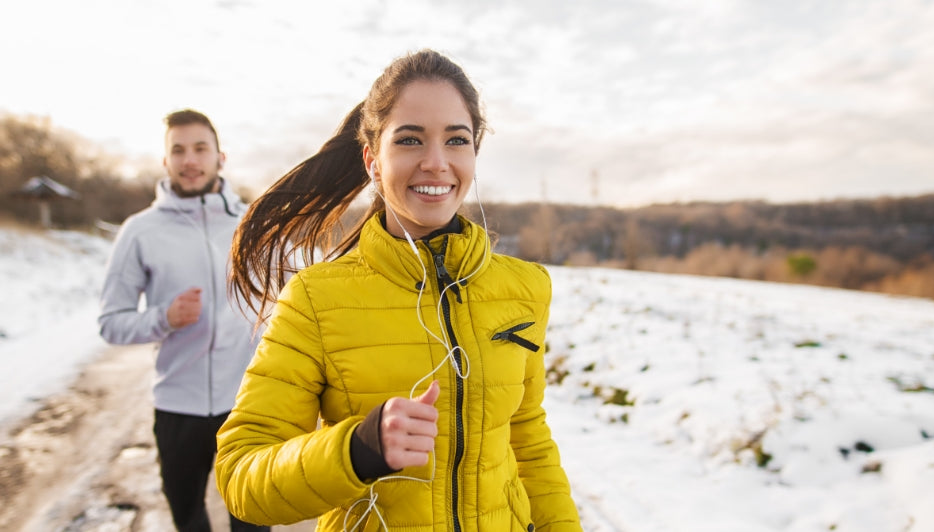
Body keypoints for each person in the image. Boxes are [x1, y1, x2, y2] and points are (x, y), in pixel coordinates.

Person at [215, 49, 583, 531]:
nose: (436, 163)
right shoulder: (315, 300)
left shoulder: (524, 288)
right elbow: (241, 479)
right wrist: (356, 450)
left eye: (457, 140)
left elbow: (527, 439)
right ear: (372, 159)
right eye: (410, 140)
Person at [98, 109, 269, 532]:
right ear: (165, 161)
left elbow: (281, 302)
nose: (189, 160)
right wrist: (164, 318)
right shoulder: (140, 231)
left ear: (220, 157)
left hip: (246, 403)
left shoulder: (253, 223)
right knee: (189, 521)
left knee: (253, 520)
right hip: (177, 407)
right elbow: (111, 322)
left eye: (199, 149)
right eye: (178, 150)